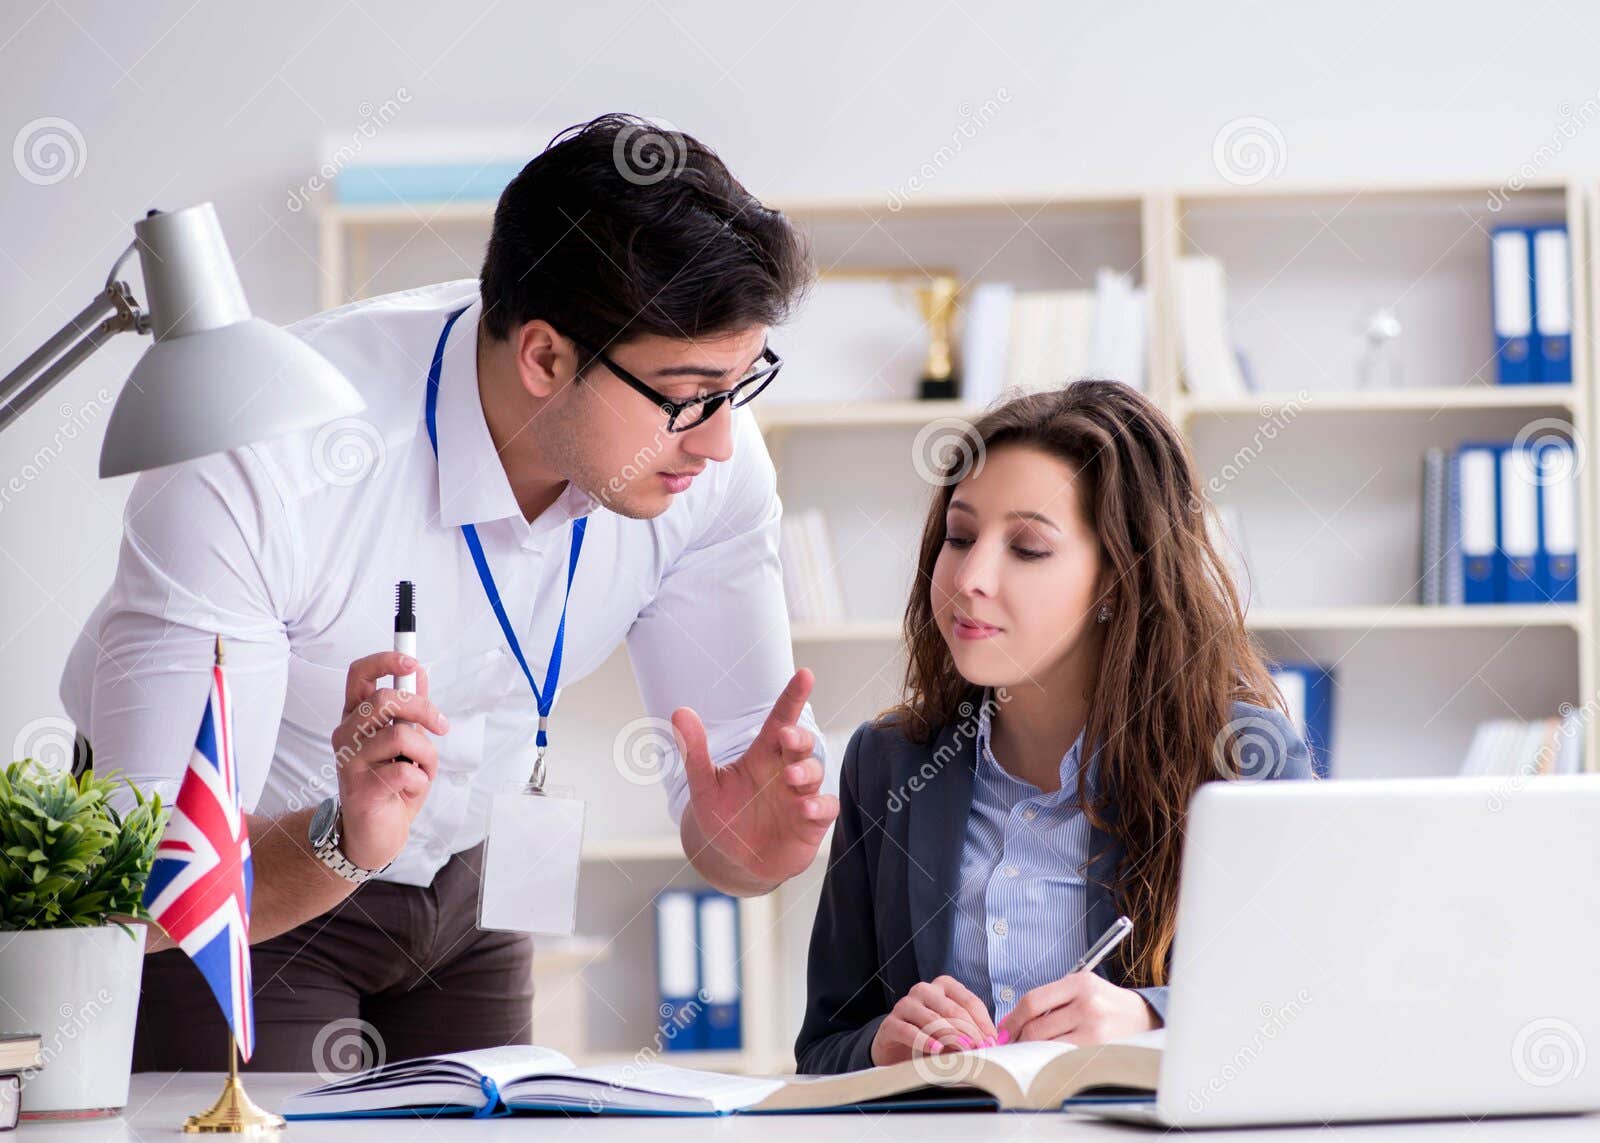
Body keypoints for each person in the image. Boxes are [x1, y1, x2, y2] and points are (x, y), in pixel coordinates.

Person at [60, 114, 838, 1070]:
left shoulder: (705, 455)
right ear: (547, 358)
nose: (719, 441)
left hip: (470, 888)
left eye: (740, 385)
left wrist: (750, 848)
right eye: (687, 395)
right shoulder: (264, 459)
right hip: (248, 893)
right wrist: (346, 842)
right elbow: (146, 879)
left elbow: (735, 831)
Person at [795, 379, 1313, 1076]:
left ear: (1116, 581)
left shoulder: (1243, 760)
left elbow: (1306, 1015)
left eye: (1028, 548)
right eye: (959, 536)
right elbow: (824, 1049)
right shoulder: (886, 764)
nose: (970, 576)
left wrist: (1150, 1018)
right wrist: (881, 1043)